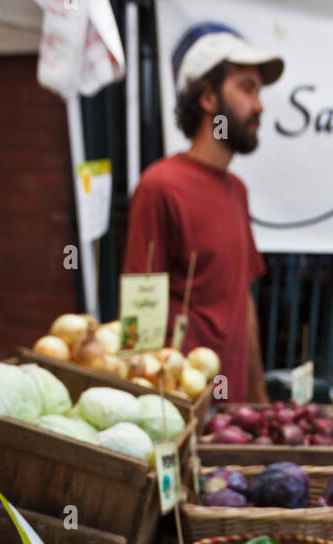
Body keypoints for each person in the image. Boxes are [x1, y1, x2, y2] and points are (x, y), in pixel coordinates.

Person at [122, 33, 284, 404]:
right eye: (247, 88)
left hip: (234, 413)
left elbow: (242, 300)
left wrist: (257, 396)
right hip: (181, 407)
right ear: (208, 97)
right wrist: (145, 405)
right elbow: (139, 308)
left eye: (259, 92)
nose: (259, 106)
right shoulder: (160, 186)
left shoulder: (237, 191)